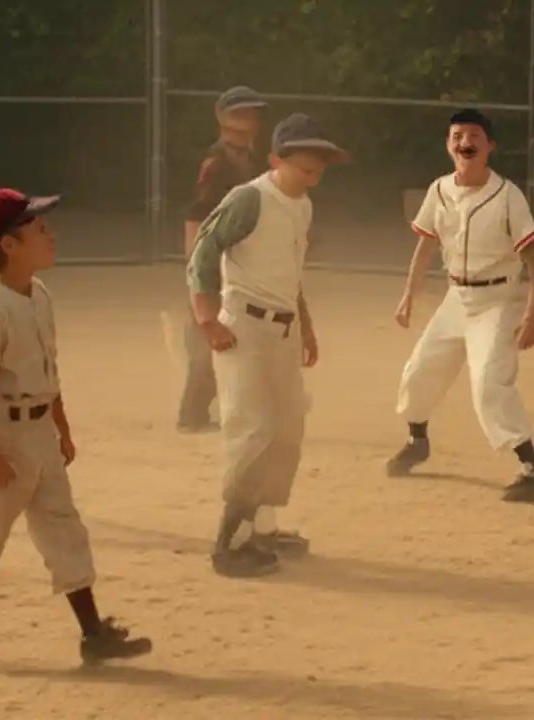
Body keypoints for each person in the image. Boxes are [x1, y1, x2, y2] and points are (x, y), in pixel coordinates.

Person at [0, 188, 152, 667]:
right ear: (8, 245)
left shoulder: (37, 294)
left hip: (39, 432)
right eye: (39, 229)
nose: (50, 235)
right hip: (3, 435)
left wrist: (61, 427)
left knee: (64, 529)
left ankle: (93, 635)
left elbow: (48, 370)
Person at [187, 113, 349, 577]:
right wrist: (205, 317)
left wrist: (306, 324)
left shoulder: (303, 206)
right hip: (244, 325)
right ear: (277, 157)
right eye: (304, 157)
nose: (314, 166)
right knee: (251, 428)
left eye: (321, 158)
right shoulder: (250, 198)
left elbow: (289, 271)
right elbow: (204, 249)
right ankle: (228, 543)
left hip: (283, 326)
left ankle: (263, 527)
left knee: (286, 429)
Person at [384, 109, 534, 503]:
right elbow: (426, 246)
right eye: (457, 135)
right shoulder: (439, 189)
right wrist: (409, 294)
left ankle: (531, 471)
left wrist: (532, 313)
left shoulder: (507, 195)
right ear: (448, 144)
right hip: (455, 298)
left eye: (475, 135)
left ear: (489, 146)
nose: (465, 142)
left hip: (497, 300)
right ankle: (417, 440)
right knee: (419, 370)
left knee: (490, 383)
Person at [177, 85, 268, 433]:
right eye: (240, 113)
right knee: (207, 339)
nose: (248, 120)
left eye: (253, 113)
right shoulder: (216, 163)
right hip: (215, 259)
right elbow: (196, 214)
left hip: (244, 261)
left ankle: (234, 407)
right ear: (222, 117)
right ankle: (192, 414)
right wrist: (197, 268)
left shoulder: (254, 161)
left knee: (240, 334)